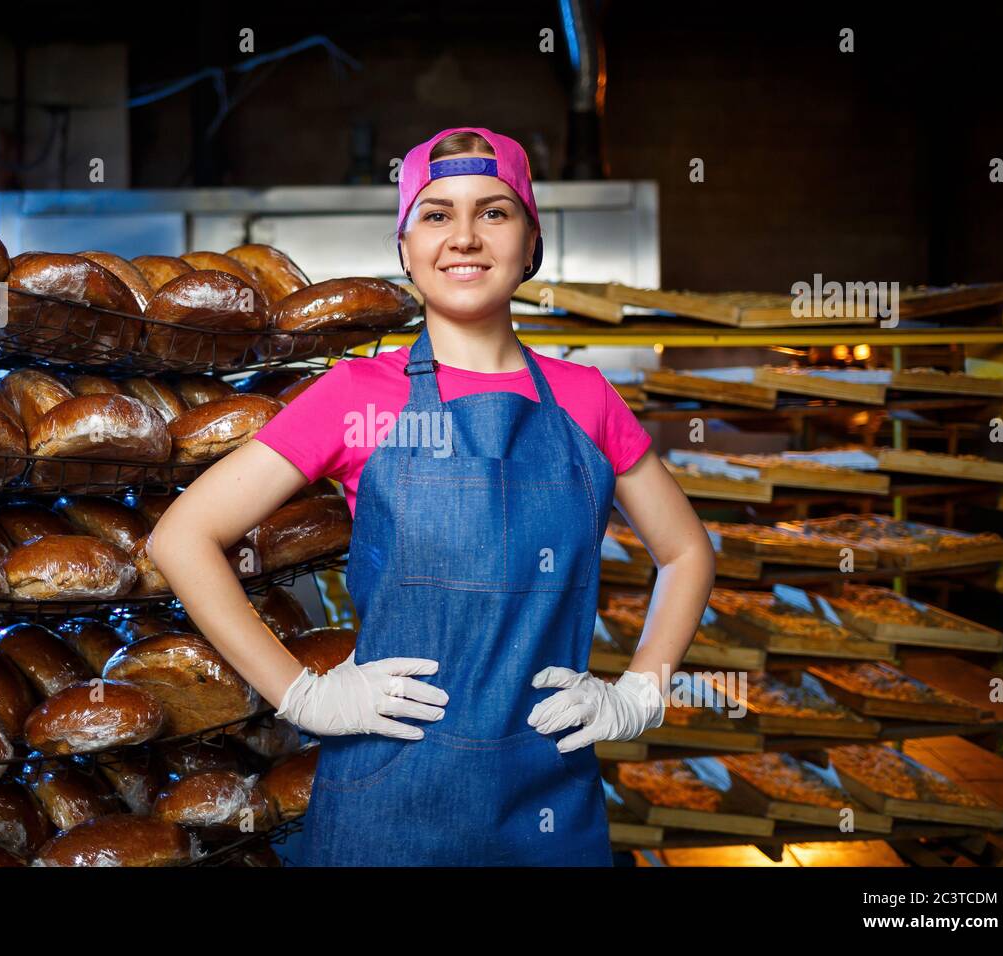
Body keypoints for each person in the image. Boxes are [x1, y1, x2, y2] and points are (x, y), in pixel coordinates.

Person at [147, 126, 715, 866]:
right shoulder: (353, 394)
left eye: (495, 212)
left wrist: (639, 693)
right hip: (387, 799)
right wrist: (302, 695)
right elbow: (181, 538)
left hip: (549, 801)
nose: (466, 237)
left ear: (530, 243)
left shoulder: (586, 398)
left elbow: (687, 552)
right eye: (437, 214)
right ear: (406, 249)